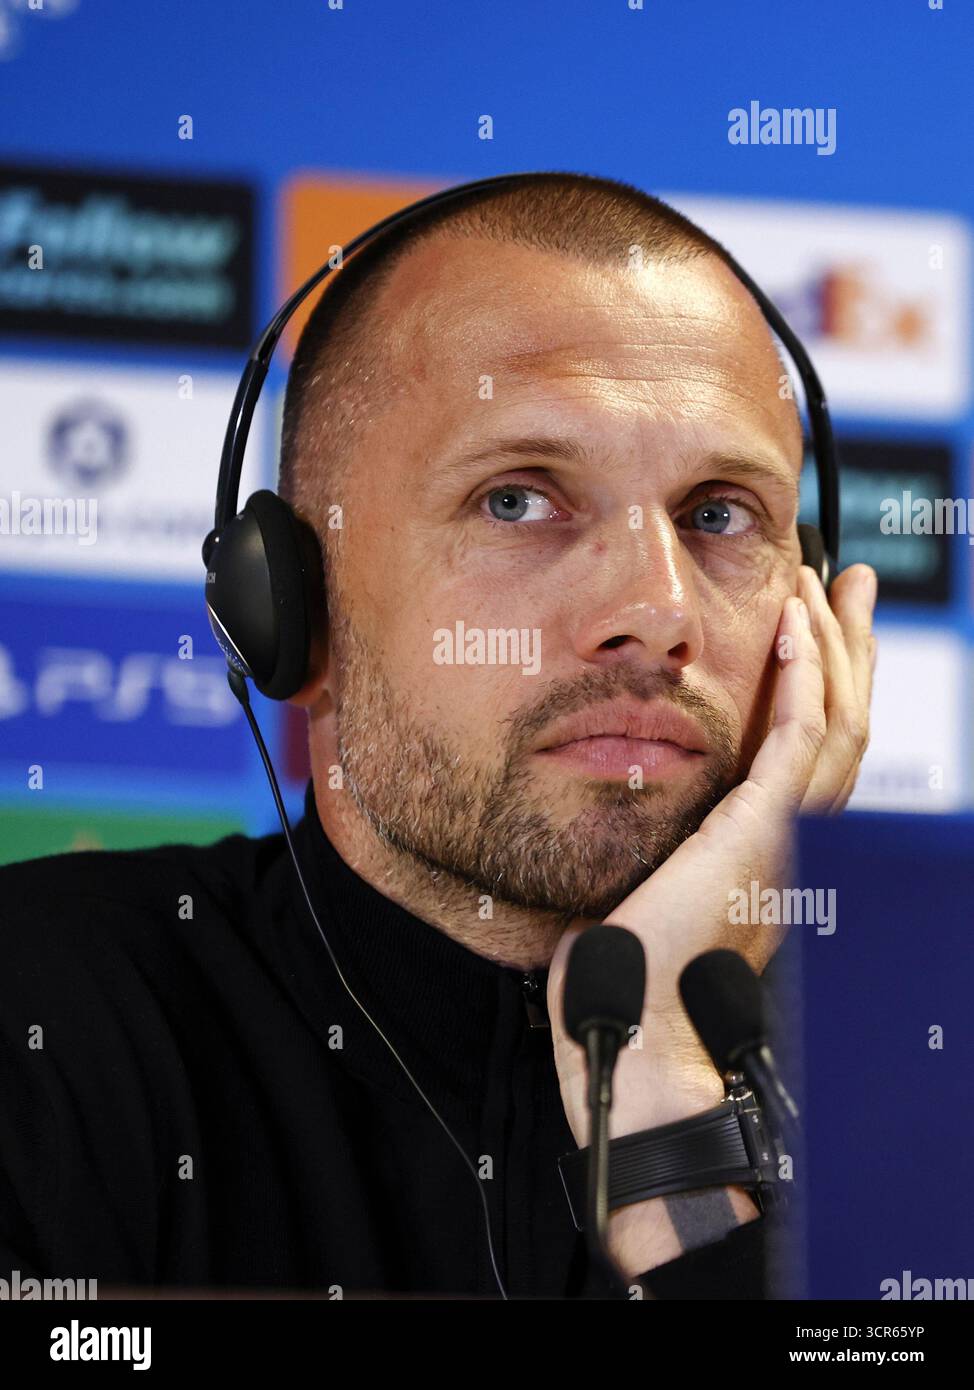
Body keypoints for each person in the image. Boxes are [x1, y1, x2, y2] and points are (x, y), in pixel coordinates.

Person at [0, 173, 877, 1299]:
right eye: (517, 500)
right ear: (292, 611)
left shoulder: (924, 1061)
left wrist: (660, 1067)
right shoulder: (43, 1019)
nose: (656, 611)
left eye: (717, 515)